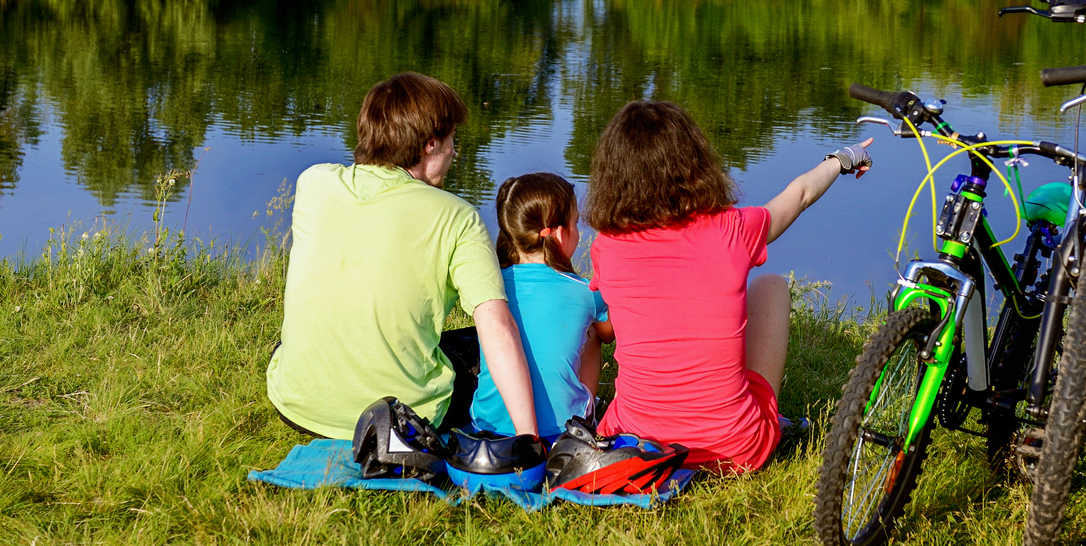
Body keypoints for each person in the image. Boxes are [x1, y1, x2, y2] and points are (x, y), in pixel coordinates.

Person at [583, 100, 870, 473]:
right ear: (692, 162)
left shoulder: (607, 246)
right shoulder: (733, 229)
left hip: (635, 445)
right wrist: (844, 158)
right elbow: (799, 195)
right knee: (770, 285)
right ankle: (768, 416)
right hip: (735, 448)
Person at [265, 72, 538, 440]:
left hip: (296, 407)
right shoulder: (457, 217)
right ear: (429, 145)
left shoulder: (314, 182)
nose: (455, 152)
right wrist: (529, 440)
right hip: (406, 420)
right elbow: (496, 325)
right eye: (451, 140)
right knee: (487, 346)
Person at [466, 172, 615, 440]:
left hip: (487, 427)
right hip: (561, 432)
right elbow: (608, 333)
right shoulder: (587, 291)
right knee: (592, 333)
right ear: (559, 233)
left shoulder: (491, 288)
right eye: (576, 223)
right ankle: (584, 415)